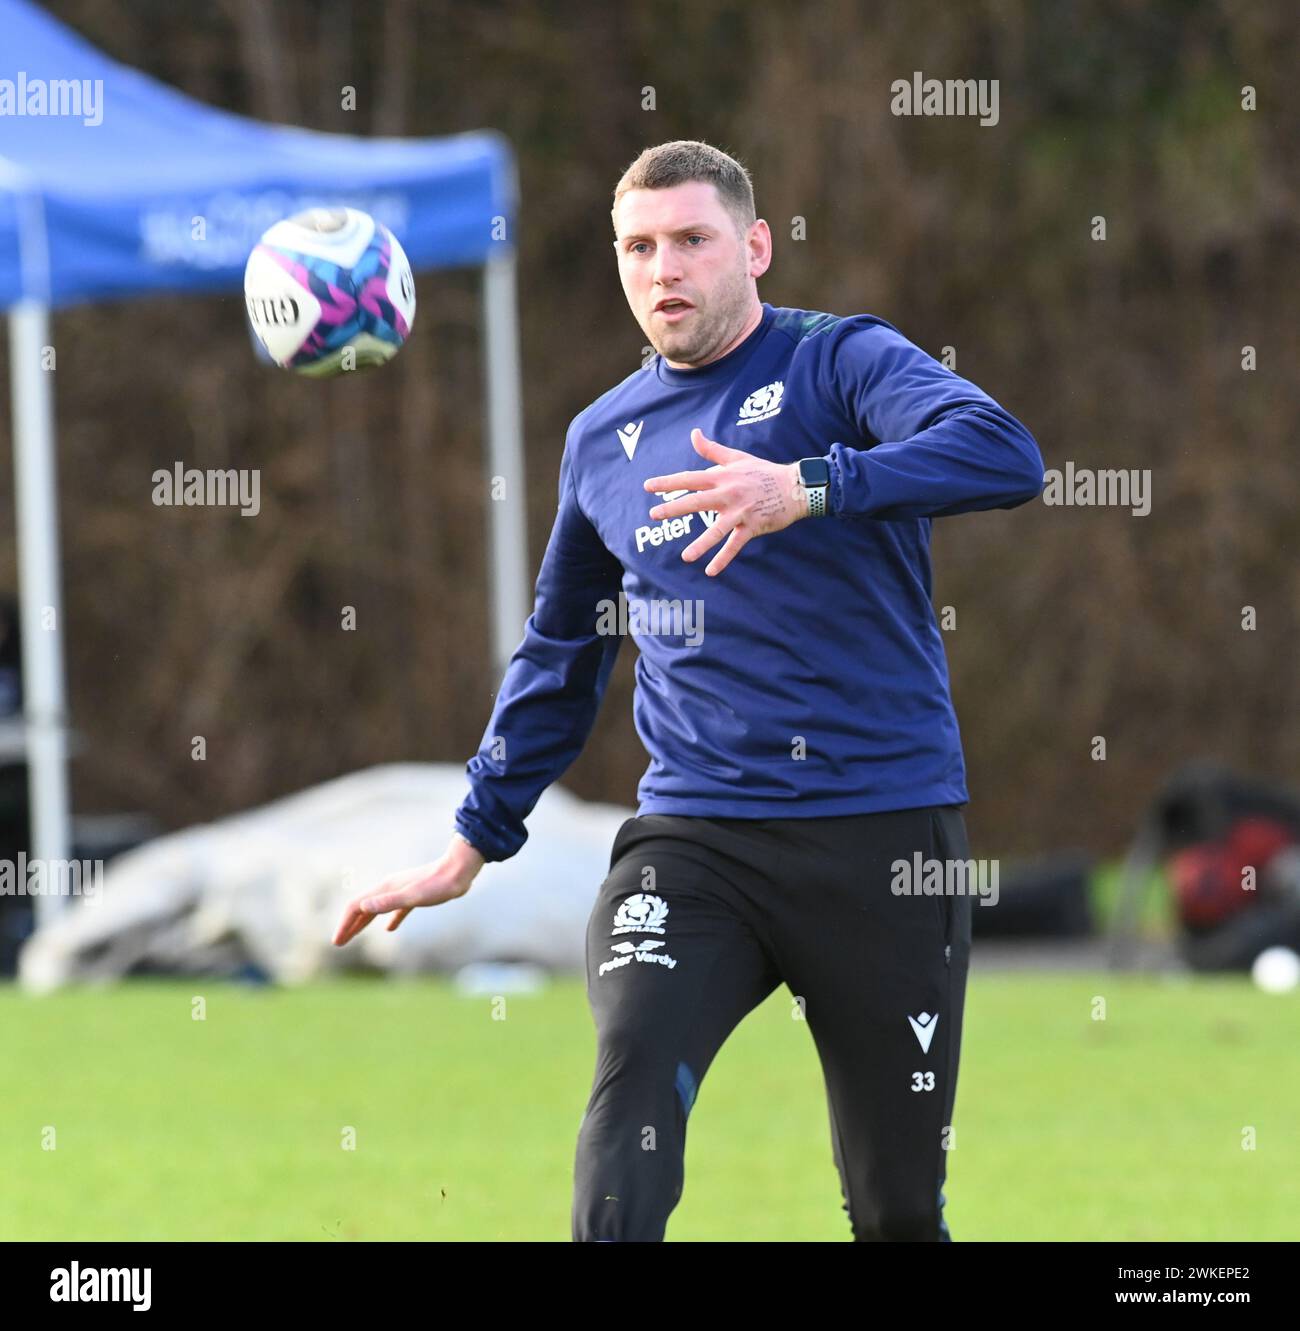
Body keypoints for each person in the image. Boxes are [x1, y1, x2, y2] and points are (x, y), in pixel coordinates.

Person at [332, 139, 1045, 1241]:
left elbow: (1001, 452)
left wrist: (810, 484)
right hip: (696, 840)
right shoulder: (599, 444)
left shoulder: (839, 361)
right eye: (638, 246)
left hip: (881, 835)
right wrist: (470, 838)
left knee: (897, 1209)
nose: (664, 267)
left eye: (692, 240)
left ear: (752, 246)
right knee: (629, 1098)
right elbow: (562, 650)